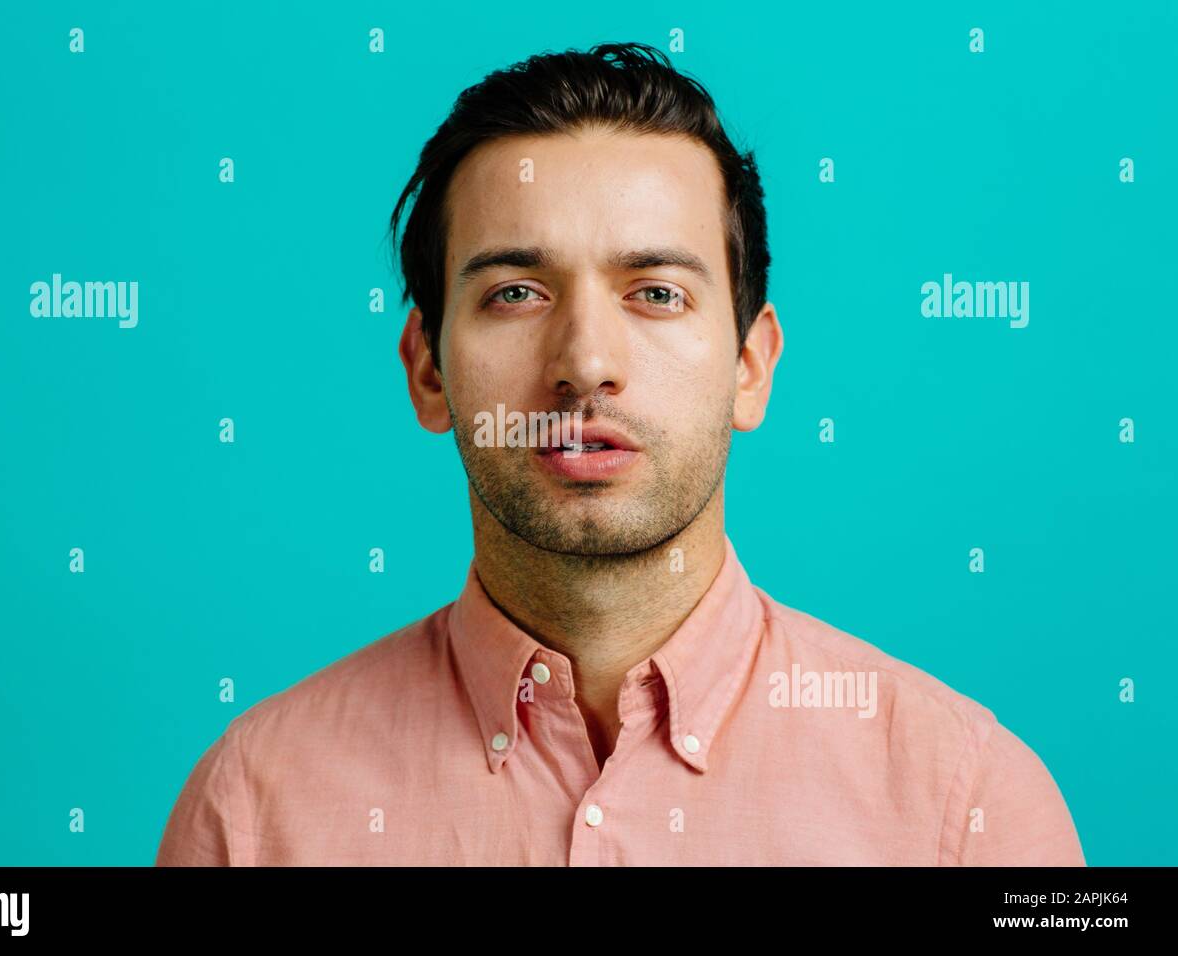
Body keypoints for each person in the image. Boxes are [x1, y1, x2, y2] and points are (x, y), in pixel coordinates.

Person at [156, 41, 1084, 866]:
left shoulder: (968, 808)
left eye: (657, 293)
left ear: (750, 367)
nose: (586, 363)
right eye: (516, 293)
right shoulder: (254, 811)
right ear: (428, 371)